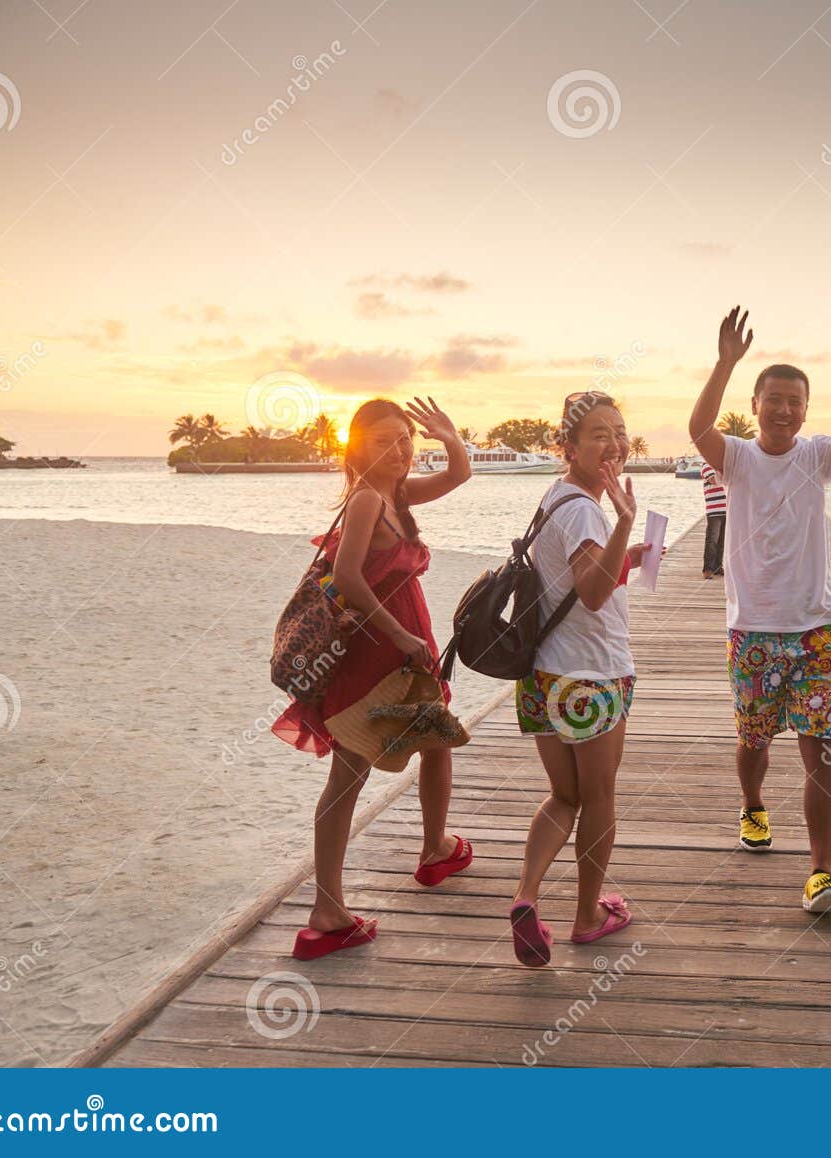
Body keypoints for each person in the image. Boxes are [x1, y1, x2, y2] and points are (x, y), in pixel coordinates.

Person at [688, 306, 831, 913]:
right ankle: (751, 804)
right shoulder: (739, 458)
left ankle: (821, 872)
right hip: (752, 632)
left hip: (817, 632)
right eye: (773, 399)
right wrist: (724, 362)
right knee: (755, 743)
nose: (783, 409)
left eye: (794, 401)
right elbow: (698, 429)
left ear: (805, 408)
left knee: (820, 748)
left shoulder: (818, 457)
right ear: (755, 405)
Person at [272, 397, 475, 960]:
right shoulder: (366, 499)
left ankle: (435, 846)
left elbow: (459, 473)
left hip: (405, 646)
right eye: (384, 440)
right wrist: (403, 638)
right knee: (348, 775)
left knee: (438, 739)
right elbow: (347, 580)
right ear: (356, 446)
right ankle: (326, 908)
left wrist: (448, 434)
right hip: (377, 653)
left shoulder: (398, 493)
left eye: (406, 439)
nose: (399, 450)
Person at [509, 391, 650, 965]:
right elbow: (593, 594)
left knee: (563, 795)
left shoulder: (556, 497)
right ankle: (588, 914)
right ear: (567, 447)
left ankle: (526, 896)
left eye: (619, 432)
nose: (614, 443)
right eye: (597, 434)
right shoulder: (590, 509)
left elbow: (577, 578)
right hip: (589, 680)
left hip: (544, 676)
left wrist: (632, 551)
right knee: (597, 798)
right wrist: (624, 520)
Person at [700, 458, 726, 578]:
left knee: (722, 541)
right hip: (714, 510)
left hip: (726, 509)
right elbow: (714, 480)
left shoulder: (722, 468)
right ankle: (708, 569)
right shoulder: (706, 466)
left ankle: (717, 567)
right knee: (712, 540)